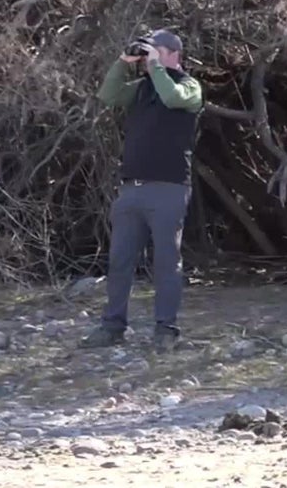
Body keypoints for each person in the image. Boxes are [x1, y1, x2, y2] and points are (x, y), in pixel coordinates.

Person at [79, 29, 204, 353]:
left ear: (173, 53)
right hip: (131, 189)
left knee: (166, 262)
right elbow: (108, 94)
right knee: (119, 261)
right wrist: (123, 62)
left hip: (168, 189)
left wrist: (156, 67)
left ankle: (166, 329)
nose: (149, 57)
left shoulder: (189, 86)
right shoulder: (140, 89)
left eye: (155, 50)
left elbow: (172, 98)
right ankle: (112, 327)